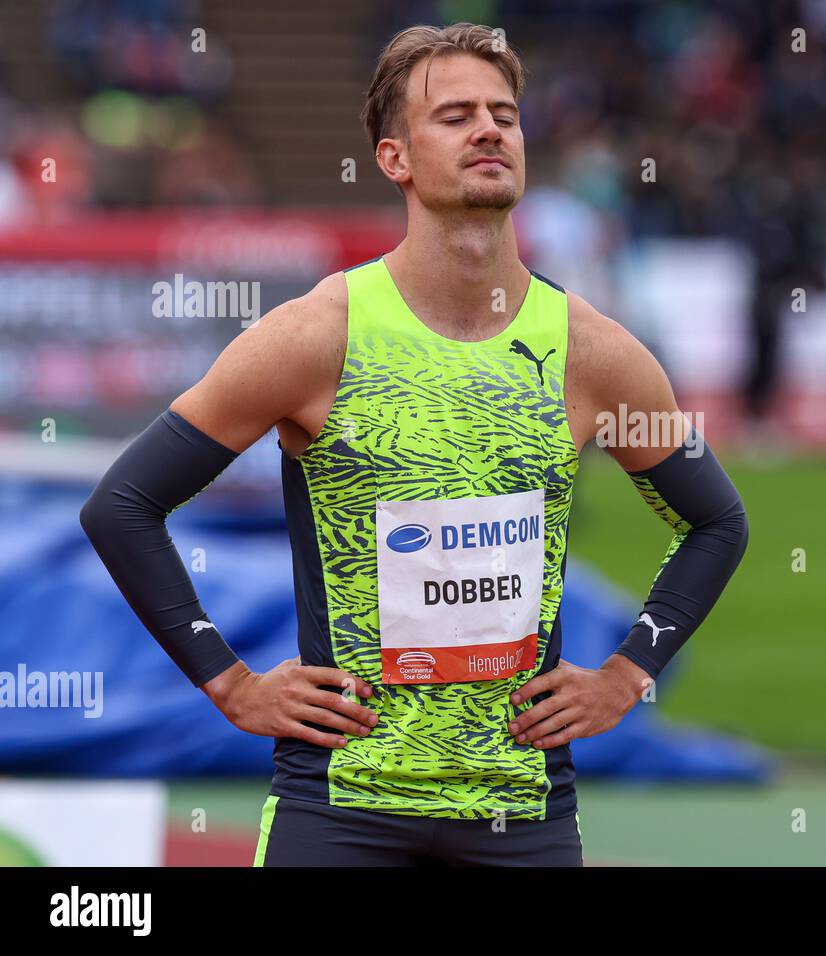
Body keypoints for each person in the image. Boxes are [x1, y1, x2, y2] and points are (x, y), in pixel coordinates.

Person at [79, 23, 749, 867]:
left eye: (505, 114)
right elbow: (123, 505)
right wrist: (231, 683)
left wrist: (626, 675)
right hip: (340, 808)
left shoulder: (592, 352)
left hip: (522, 811)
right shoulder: (317, 337)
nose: (489, 130)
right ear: (395, 158)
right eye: (456, 115)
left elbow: (717, 522)